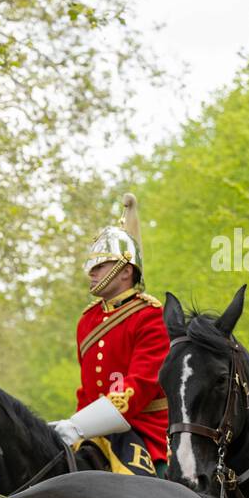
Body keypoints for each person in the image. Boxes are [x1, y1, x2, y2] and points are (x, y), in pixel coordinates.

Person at [51, 194, 169, 476]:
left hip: (142, 427)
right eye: (92, 268)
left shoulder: (150, 315)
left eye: (99, 267)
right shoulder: (88, 320)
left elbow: (140, 385)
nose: (92, 274)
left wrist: (81, 425)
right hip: (94, 429)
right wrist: (78, 425)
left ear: (125, 271)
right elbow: (87, 389)